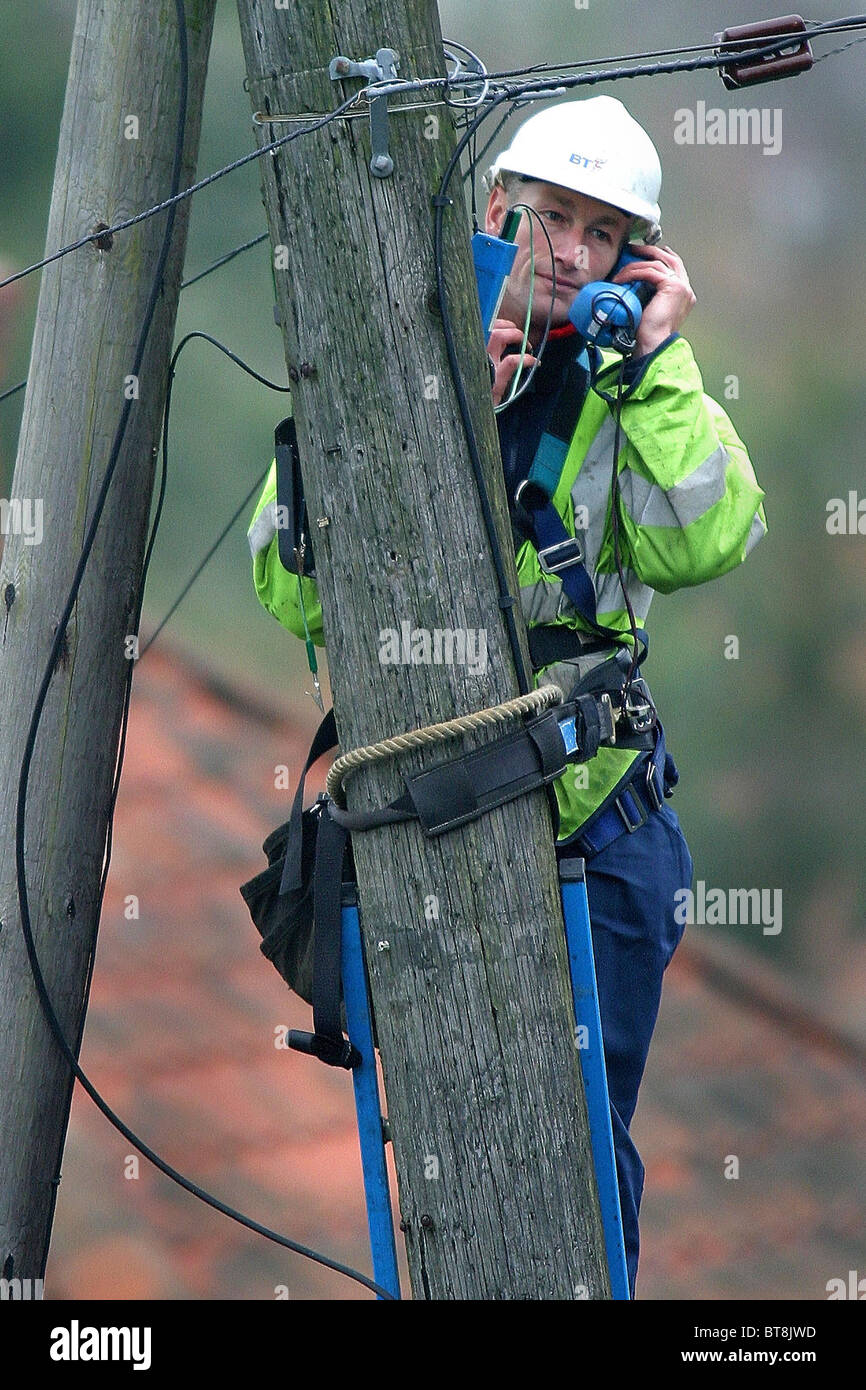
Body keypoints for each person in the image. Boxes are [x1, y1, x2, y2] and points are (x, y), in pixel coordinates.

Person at [247, 94, 767, 1297]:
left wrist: (653, 361)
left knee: (582, 1146)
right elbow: (287, 583)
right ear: (494, 214)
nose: (571, 254)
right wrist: (437, 417)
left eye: (605, 236)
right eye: (549, 222)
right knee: (432, 1148)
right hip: (427, 816)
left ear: (636, 262)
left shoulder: (638, 392)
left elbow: (708, 539)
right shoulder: (398, 361)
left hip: (597, 822)